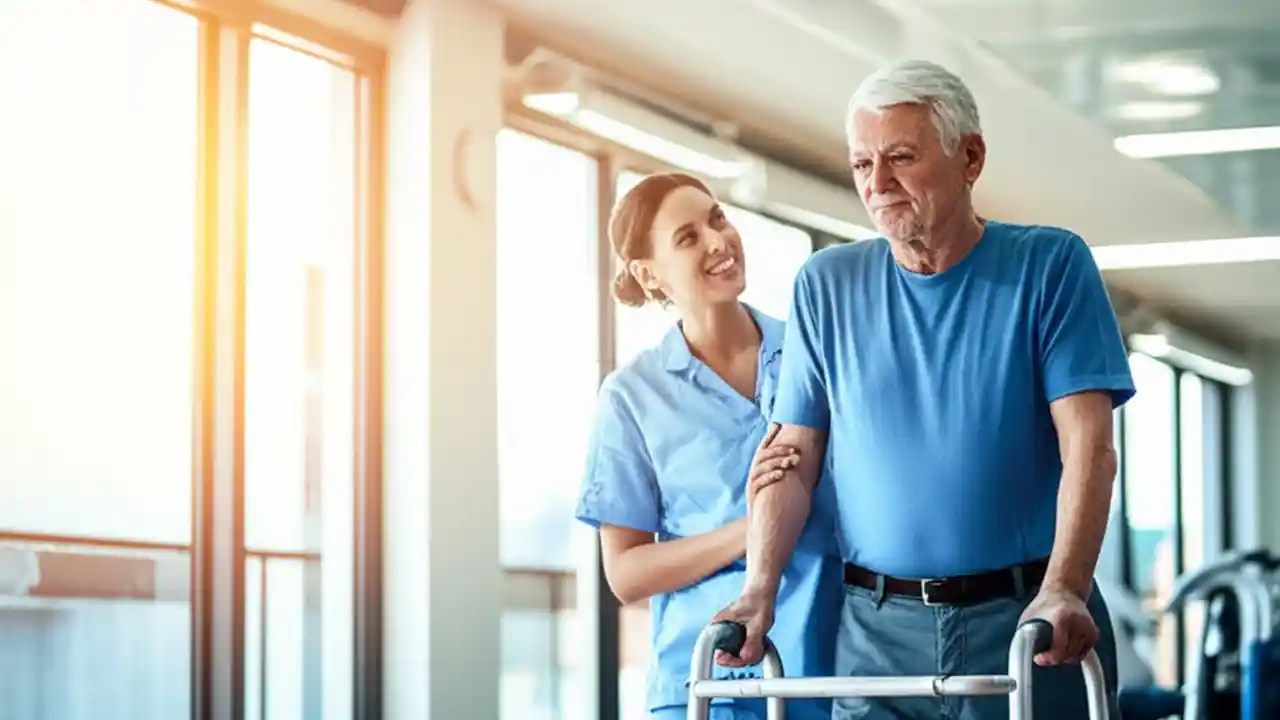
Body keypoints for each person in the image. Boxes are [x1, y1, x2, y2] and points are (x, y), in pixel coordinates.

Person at [713, 59, 1136, 720]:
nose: (877, 183)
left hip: (1025, 623)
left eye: (901, 158)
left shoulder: (1049, 267)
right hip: (875, 635)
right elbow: (793, 458)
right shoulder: (827, 285)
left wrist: (1066, 587)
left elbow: (1089, 447)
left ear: (970, 158)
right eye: (862, 164)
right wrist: (758, 589)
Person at [574, 172, 842, 720]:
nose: (718, 241)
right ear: (649, 274)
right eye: (687, 237)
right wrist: (757, 527)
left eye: (717, 219)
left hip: (826, 672)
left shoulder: (811, 354)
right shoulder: (634, 396)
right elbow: (626, 573)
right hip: (705, 684)